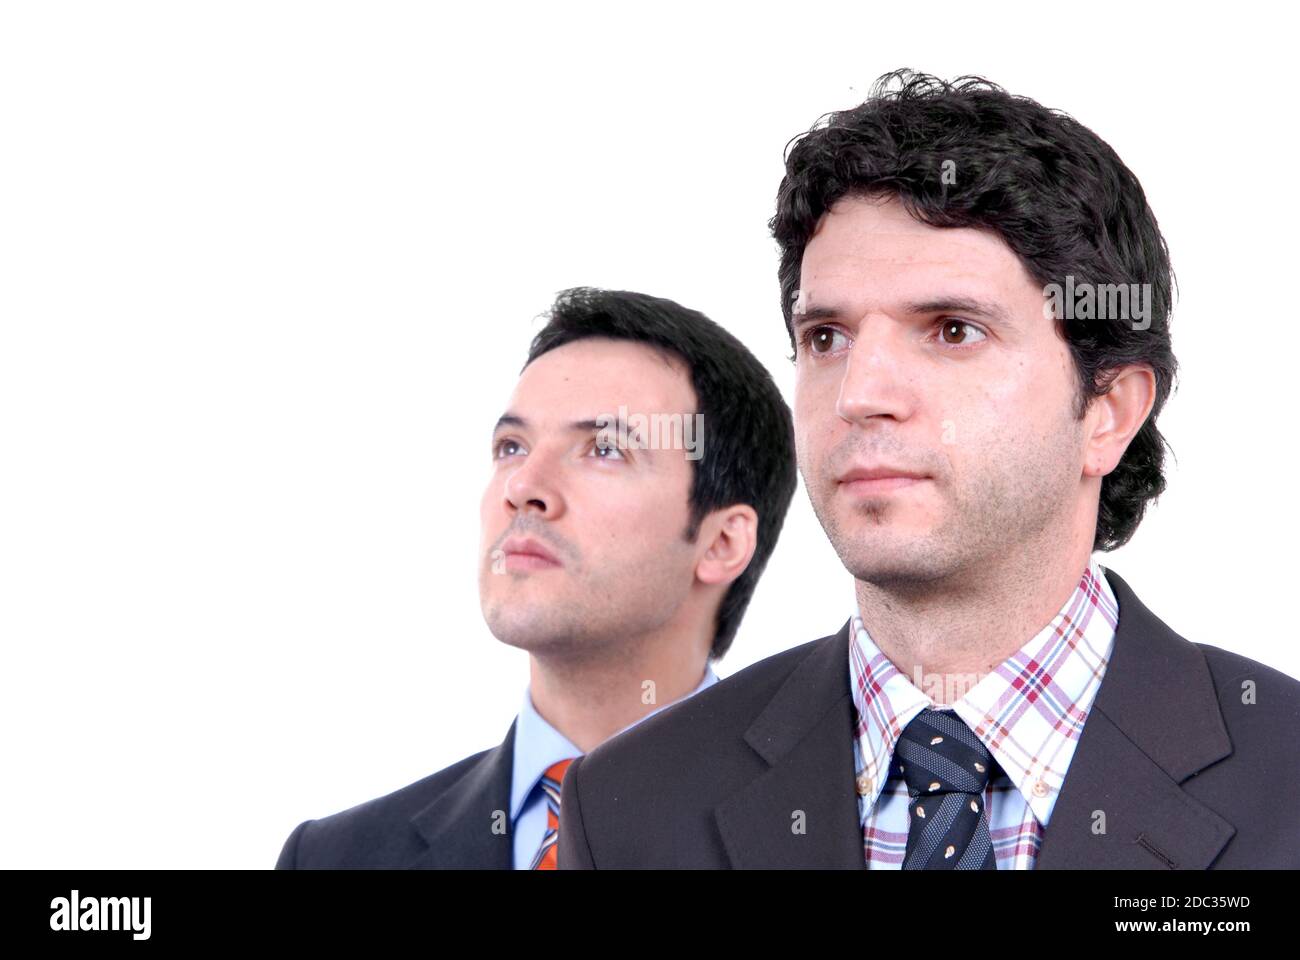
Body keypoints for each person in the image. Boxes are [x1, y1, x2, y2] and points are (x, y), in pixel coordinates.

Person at [557, 71, 1300, 869]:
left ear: (1108, 410)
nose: (859, 394)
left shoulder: (1283, 778)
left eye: (952, 330)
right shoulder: (630, 805)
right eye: (827, 338)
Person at [275, 286, 797, 868]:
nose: (523, 486)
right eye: (511, 446)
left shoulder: (840, 834)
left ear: (721, 542)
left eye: (603, 449)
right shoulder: (336, 858)